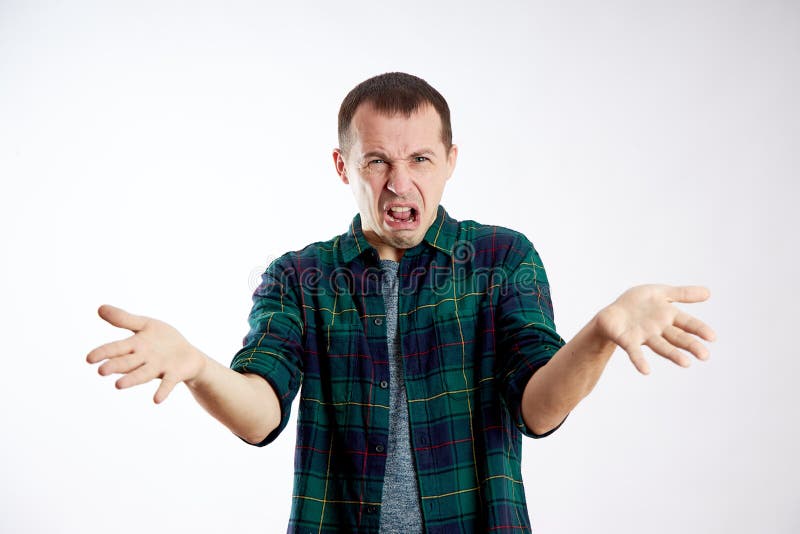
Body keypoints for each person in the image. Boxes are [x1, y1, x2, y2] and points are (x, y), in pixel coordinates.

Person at [86, 72, 716, 533]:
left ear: (449, 161)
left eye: (420, 158)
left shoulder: (502, 260)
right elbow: (261, 414)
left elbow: (538, 409)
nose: (399, 181)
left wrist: (599, 335)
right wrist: (198, 366)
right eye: (377, 161)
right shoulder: (299, 276)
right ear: (343, 166)